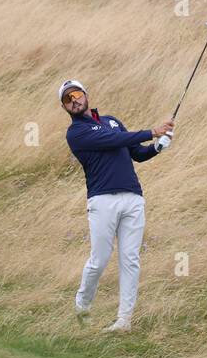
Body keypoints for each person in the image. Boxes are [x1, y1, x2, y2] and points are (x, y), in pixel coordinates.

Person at [59, 79, 174, 332]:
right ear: (66, 108)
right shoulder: (76, 133)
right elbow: (112, 140)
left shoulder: (112, 121)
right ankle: (83, 304)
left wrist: (157, 146)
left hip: (133, 197)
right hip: (102, 200)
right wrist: (151, 131)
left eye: (76, 94)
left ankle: (124, 320)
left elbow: (136, 153)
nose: (74, 101)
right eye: (67, 100)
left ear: (85, 95)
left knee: (130, 260)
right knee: (99, 260)